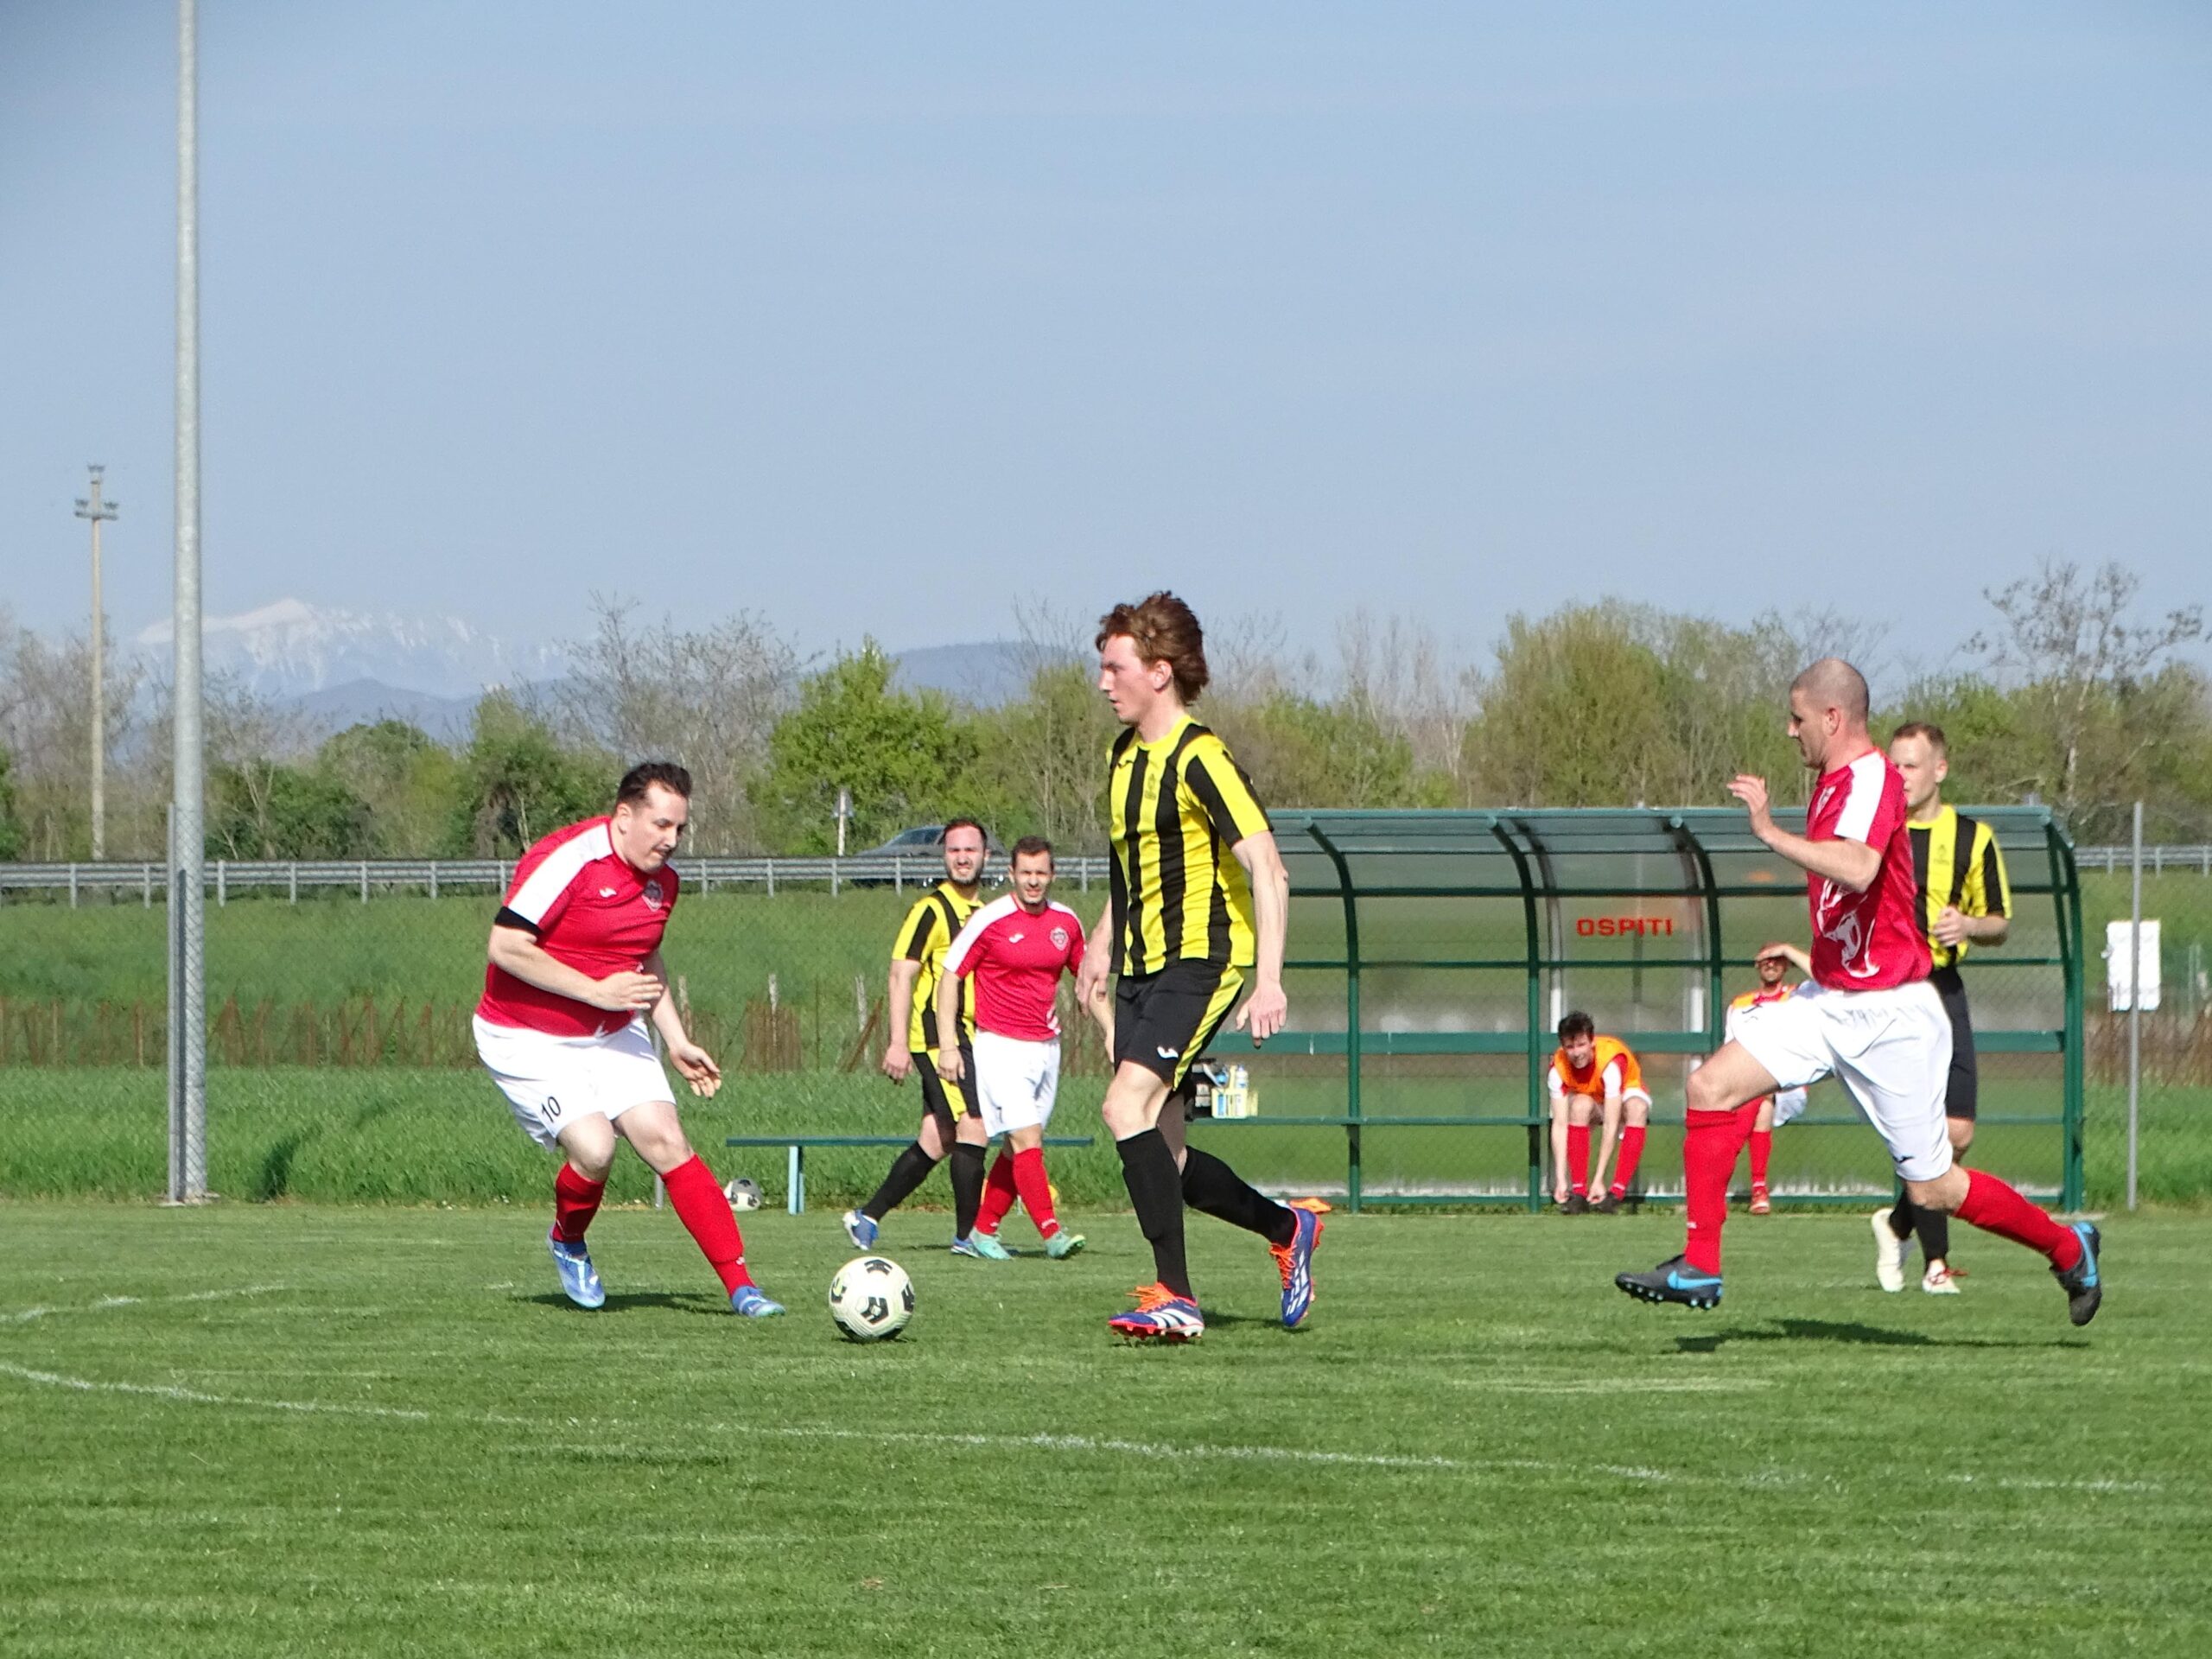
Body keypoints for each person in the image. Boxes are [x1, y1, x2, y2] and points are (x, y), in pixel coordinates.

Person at [1614, 659, 2100, 1325]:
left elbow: (1862, 865)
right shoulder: (1833, 784)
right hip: (1831, 1000)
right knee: (1709, 1087)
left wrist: (1770, 834)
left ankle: (2069, 1245)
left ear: (1833, 717)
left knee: (1933, 1189)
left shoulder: (1871, 776)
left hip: (1893, 1015)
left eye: (1798, 717)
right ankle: (1700, 1264)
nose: (1790, 731)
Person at [1071, 592, 1320, 1342]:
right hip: (1141, 972)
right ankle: (1287, 1228)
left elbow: (1268, 871)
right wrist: (1101, 941)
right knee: (1166, 1156)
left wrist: (1270, 978)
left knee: (1124, 1109)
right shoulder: (1122, 759)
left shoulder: (1201, 758)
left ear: (1159, 670)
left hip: (1202, 962)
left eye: (1115, 668)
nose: (1104, 682)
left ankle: (1175, 1295)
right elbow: (1131, 865)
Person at [474, 761, 784, 1318]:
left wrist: (678, 1039)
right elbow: (505, 947)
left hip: (611, 1029)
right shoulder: (565, 860)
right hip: (527, 1036)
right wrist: (596, 991)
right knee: (595, 1149)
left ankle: (743, 1289)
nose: (672, 841)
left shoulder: (663, 883)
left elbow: (644, 960)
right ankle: (567, 1239)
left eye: (680, 829)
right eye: (661, 826)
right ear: (624, 815)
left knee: (667, 1139)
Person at [1875, 721, 2013, 1294]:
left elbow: (2000, 923)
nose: (1899, 775)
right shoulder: (1877, 833)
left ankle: (1896, 1222)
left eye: (1910, 765)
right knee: (1923, 1129)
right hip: (1891, 993)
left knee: (1957, 1133)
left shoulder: (1973, 838)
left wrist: (1968, 925)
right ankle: (1936, 1266)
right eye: (1894, 764)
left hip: (1944, 989)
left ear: (1939, 770)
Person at [934, 837, 1092, 1259]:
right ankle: (1052, 1233)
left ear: (1052, 875)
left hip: (1046, 1047)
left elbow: (1088, 982)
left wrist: (1113, 1032)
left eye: (1041, 873)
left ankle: (983, 1232)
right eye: (1026, 873)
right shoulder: (991, 919)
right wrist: (948, 1045)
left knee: (1016, 1146)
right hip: (998, 1046)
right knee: (1026, 1137)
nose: (1034, 881)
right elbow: (949, 976)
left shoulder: (1066, 922)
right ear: (1011, 874)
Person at [842, 819, 992, 1255]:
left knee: (939, 1136)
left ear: (985, 856)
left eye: (971, 850)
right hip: (935, 1036)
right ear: (944, 856)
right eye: (954, 851)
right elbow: (900, 973)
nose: (962, 858)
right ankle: (969, 1237)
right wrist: (896, 1042)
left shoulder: (985, 913)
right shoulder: (931, 910)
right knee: (974, 1126)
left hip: (970, 1034)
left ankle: (866, 1218)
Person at [1724, 948, 1812, 1214]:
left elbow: (1823, 977)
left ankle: (1721, 1175)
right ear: (1757, 964)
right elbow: (1731, 1049)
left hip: (1790, 1084)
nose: (1771, 965)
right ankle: (1759, 1191)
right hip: (1754, 1088)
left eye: (1777, 960)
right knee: (1760, 1102)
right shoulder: (1740, 1004)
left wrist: (1789, 949)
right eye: (1765, 959)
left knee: (1760, 1097)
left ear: (1786, 966)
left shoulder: (1798, 996)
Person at [1547, 1014, 1654, 1214]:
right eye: (1570, 1047)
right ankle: (1578, 1193)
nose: (1577, 1053)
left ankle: (1616, 1192)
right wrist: (1560, 1180)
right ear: (1562, 1047)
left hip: (1625, 1093)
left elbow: (1611, 1125)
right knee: (1578, 1106)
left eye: (1581, 1045)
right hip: (1594, 1096)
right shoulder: (1557, 1068)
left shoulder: (1611, 1063)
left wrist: (1599, 1179)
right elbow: (1560, 1124)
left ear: (1592, 1042)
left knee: (1637, 1108)